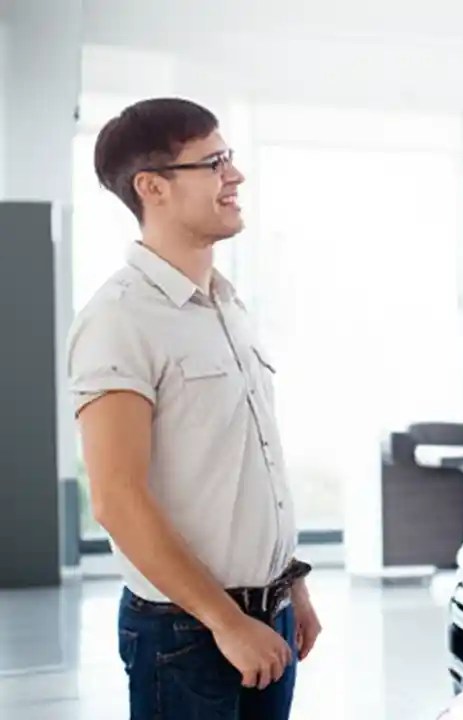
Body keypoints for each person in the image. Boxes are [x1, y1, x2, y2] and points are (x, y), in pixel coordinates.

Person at [68, 97, 321, 719]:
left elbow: (249, 462)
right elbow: (117, 500)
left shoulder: (228, 307)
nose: (234, 175)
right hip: (186, 633)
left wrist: (291, 585)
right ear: (151, 187)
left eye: (229, 157)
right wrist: (226, 622)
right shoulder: (119, 318)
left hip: (270, 616)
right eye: (213, 162)